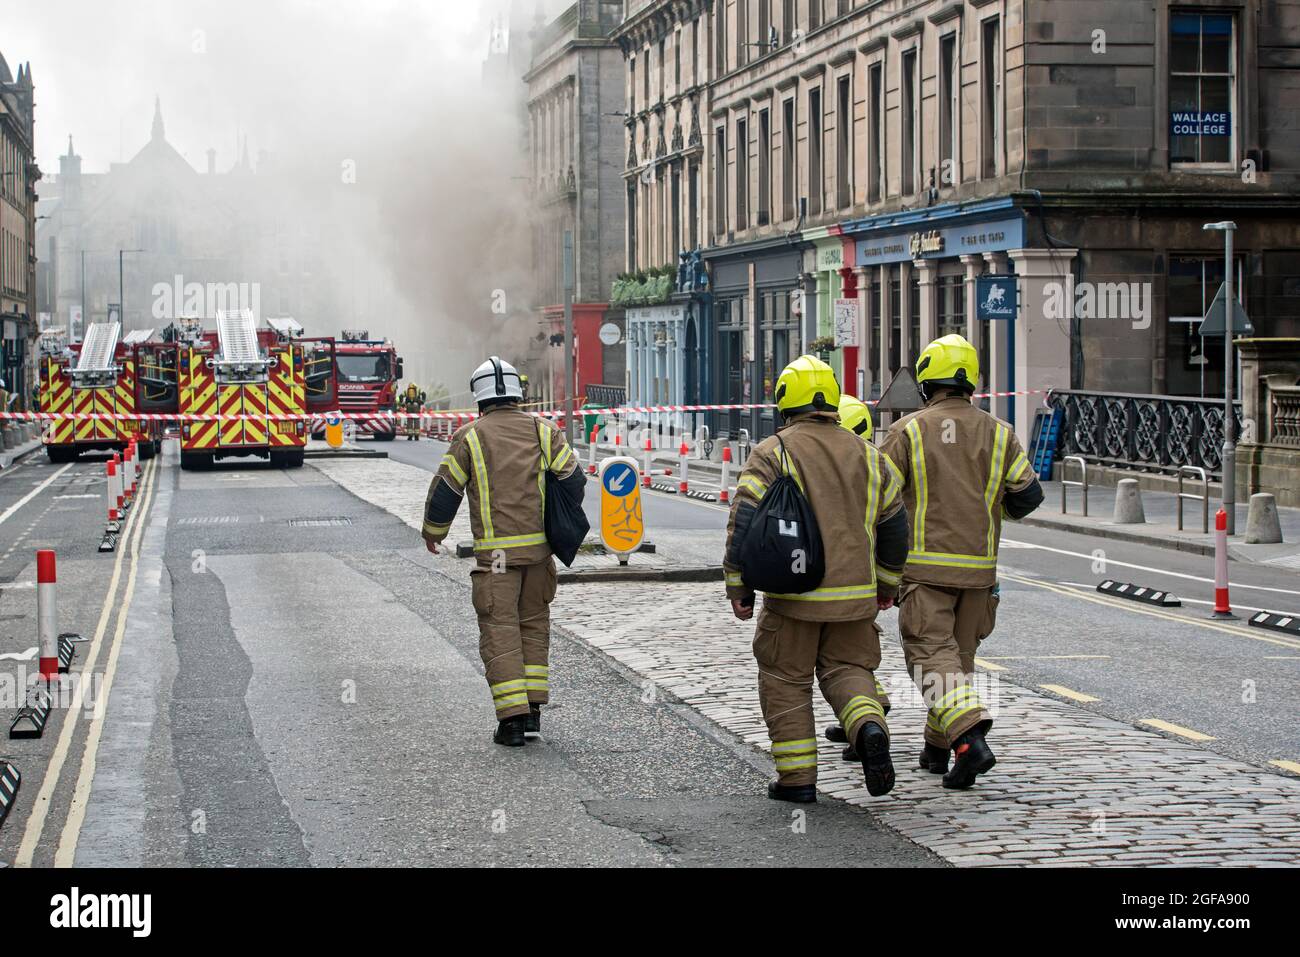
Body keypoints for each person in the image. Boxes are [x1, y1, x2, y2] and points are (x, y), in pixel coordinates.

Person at [723, 355, 909, 803]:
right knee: (850, 671)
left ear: (786, 402)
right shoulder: (869, 454)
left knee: (786, 681)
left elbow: (744, 520)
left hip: (794, 598)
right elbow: (895, 527)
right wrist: (887, 585)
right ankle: (867, 727)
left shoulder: (774, 451)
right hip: (855, 601)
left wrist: (738, 583)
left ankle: (798, 781)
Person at [879, 334, 1044, 789]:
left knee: (930, 658)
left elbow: (875, 496)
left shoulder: (908, 431)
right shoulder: (1000, 432)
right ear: (972, 379)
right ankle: (937, 750)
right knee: (957, 661)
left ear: (927, 379)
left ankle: (969, 739)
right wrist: (993, 511)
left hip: (925, 571)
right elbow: (1028, 496)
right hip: (979, 573)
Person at [421, 356, 585, 746]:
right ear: (517, 394)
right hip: (540, 555)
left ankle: (511, 723)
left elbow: (446, 490)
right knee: (533, 627)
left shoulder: (470, 437)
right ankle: (533, 715)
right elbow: (574, 481)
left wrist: (434, 532)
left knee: (500, 631)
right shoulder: (545, 431)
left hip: (496, 560)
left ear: (480, 400)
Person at [822, 393, 891, 762]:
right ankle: (866, 719)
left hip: (815, 587)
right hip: (863, 586)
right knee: (853, 659)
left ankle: (866, 716)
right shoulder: (874, 465)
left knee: (835, 663)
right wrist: (889, 582)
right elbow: (895, 526)